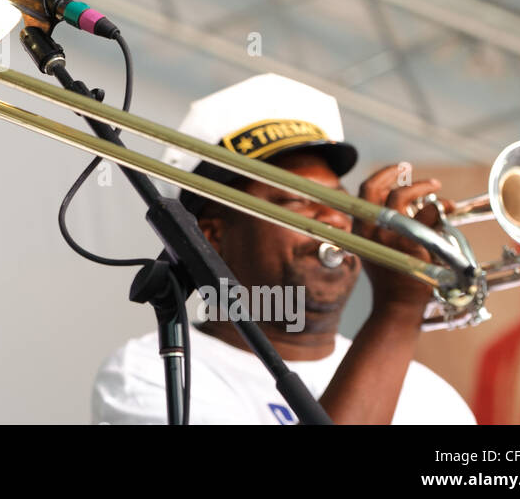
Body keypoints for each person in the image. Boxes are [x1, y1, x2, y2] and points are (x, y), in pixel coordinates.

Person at [91, 73, 475, 424]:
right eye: (297, 201)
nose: (336, 220)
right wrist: (397, 312)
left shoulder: (431, 397)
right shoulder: (151, 376)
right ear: (209, 236)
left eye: (342, 203)